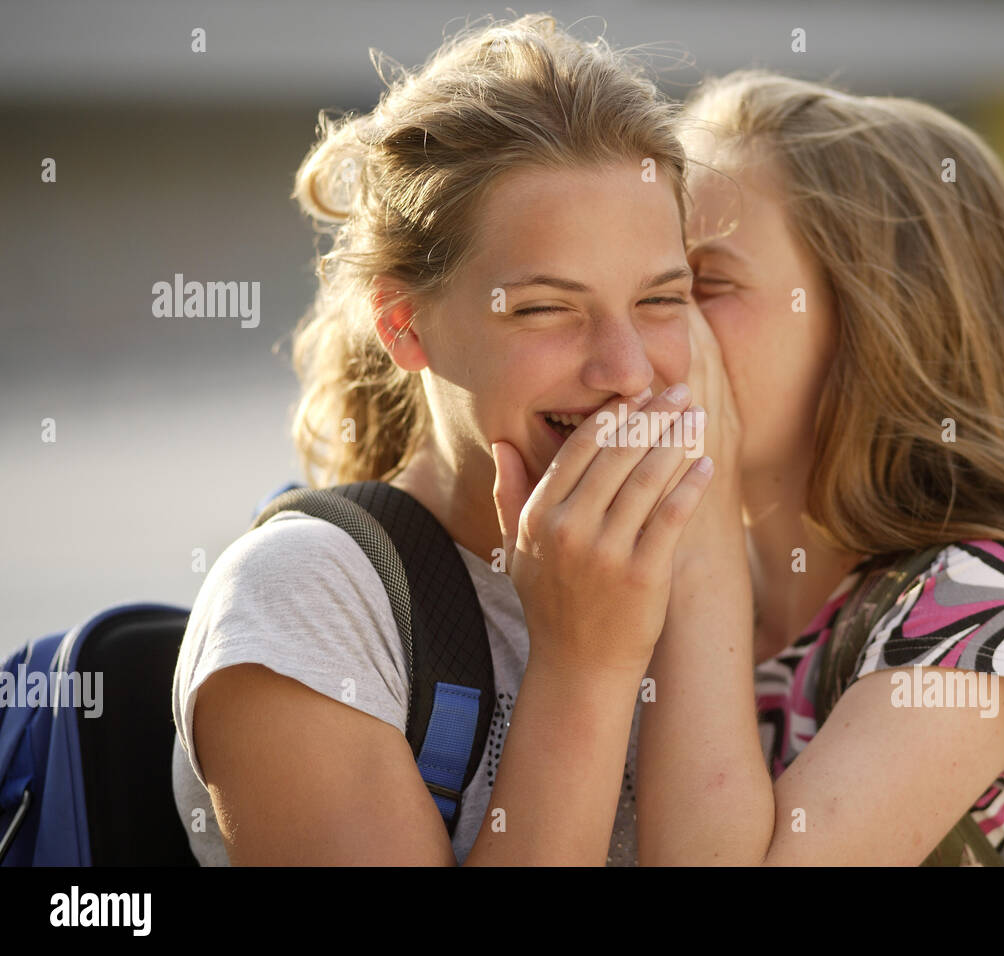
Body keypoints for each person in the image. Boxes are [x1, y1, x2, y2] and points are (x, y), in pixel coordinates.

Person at [636, 70, 1004, 865]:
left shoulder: (974, 615)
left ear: (876, 325)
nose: (650, 322)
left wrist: (701, 546)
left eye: (702, 282)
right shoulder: (670, 588)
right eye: (655, 281)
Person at [170, 14, 713, 866]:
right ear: (403, 323)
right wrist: (583, 668)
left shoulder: (714, 561)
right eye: (545, 308)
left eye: (660, 300)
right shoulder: (305, 599)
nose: (626, 370)